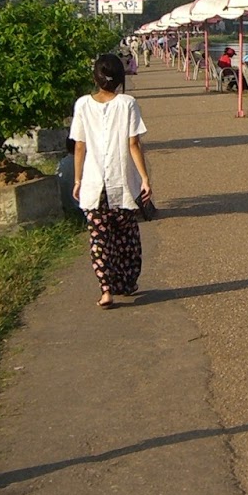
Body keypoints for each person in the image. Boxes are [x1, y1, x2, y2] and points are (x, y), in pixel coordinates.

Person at [70, 54, 153, 309]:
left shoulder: (82, 104)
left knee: (99, 238)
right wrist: (145, 178)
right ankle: (126, 283)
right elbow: (133, 144)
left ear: (95, 77)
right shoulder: (128, 104)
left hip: (93, 184)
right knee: (126, 236)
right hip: (122, 182)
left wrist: (77, 180)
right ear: (120, 78)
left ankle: (106, 290)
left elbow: (80, 146)